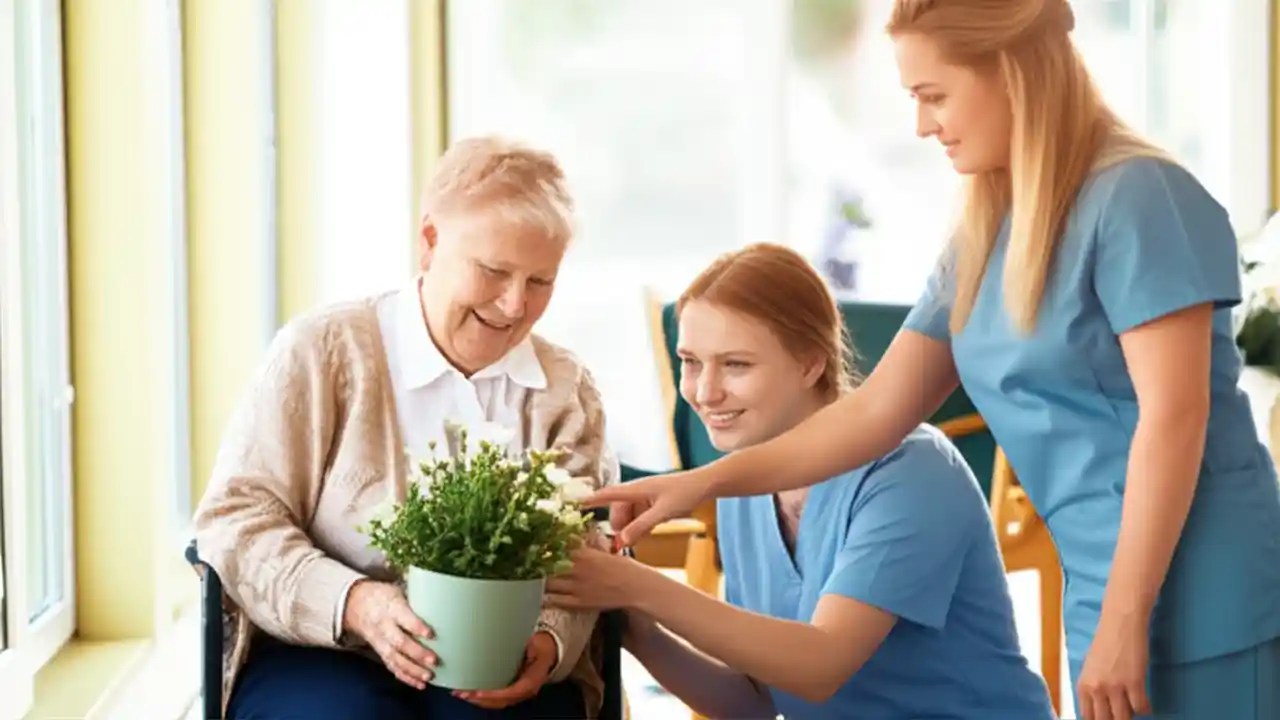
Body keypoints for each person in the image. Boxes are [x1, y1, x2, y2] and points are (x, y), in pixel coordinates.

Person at [587, 3, 1280, 720]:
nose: (922, 125)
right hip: (1101, 590)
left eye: (933, 95)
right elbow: (874, 413)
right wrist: (698, 483)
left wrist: (1126, 619)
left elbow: (1174, 416)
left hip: (1202, 590)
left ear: (1011, 71)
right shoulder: (987, 231)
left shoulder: (1140, 197)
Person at [194, 136, 619, 719]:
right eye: (494, 271)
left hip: (503, 656)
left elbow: (585, 546)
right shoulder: (323, 351)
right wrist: (357, 603)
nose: (515, 305)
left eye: (540, 281)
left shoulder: (566, 388)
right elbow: (235, 518)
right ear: (430, 242)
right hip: (327, 647)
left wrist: (547, 641)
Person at [546, 243, 1054, 719]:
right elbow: (755, 702)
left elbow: (819, 668)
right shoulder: (743, 484)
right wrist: (632, 621)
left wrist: (642, 586)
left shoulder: (910, 472)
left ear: (812, 362)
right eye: (691, 362)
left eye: (736, 365)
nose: (704, 392)